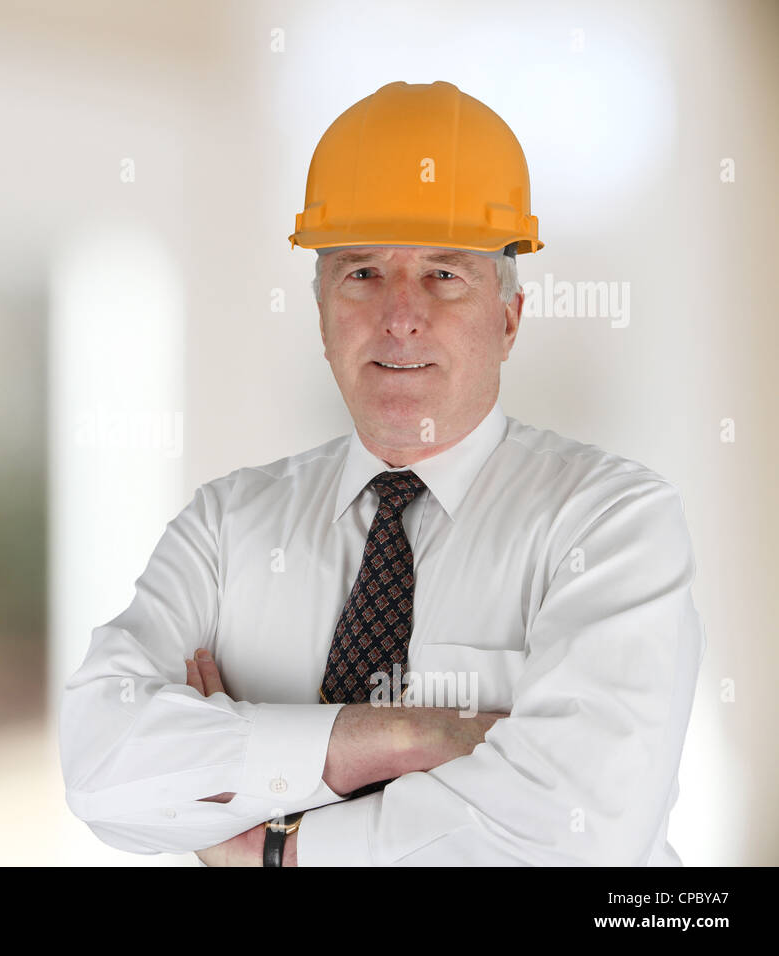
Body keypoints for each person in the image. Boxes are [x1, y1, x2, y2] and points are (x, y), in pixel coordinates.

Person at [58, 81, 705, 866]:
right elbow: (100, 766)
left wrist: (275, 845)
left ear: (508, 320)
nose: (401, 315)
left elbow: (578, 830)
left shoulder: (611, 523)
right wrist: (410, 735)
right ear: (321, 310)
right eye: (362, 272)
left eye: (444, 274)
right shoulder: (226, 526)